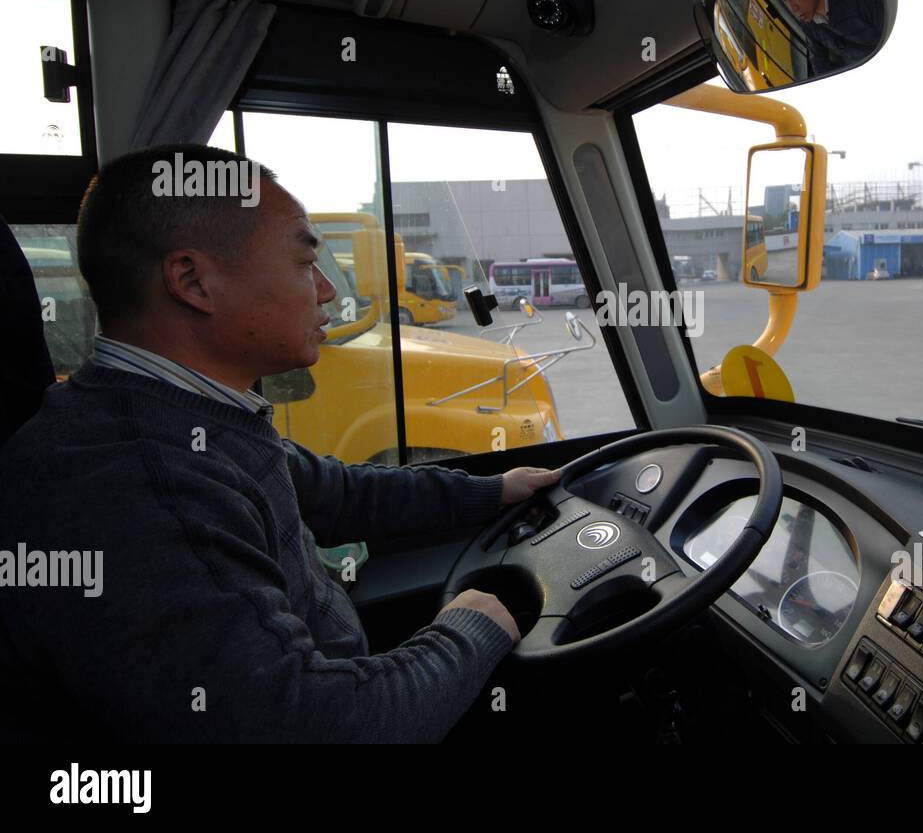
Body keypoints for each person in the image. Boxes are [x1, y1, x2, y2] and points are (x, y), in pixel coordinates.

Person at [0, 144, 558, 742]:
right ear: (192, 281)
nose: (323, 291)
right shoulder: (134, 485)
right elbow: (309, 725)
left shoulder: (185, 413)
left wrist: (493, 490)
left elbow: (336, 493)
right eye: (302, 263)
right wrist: (467, 630)